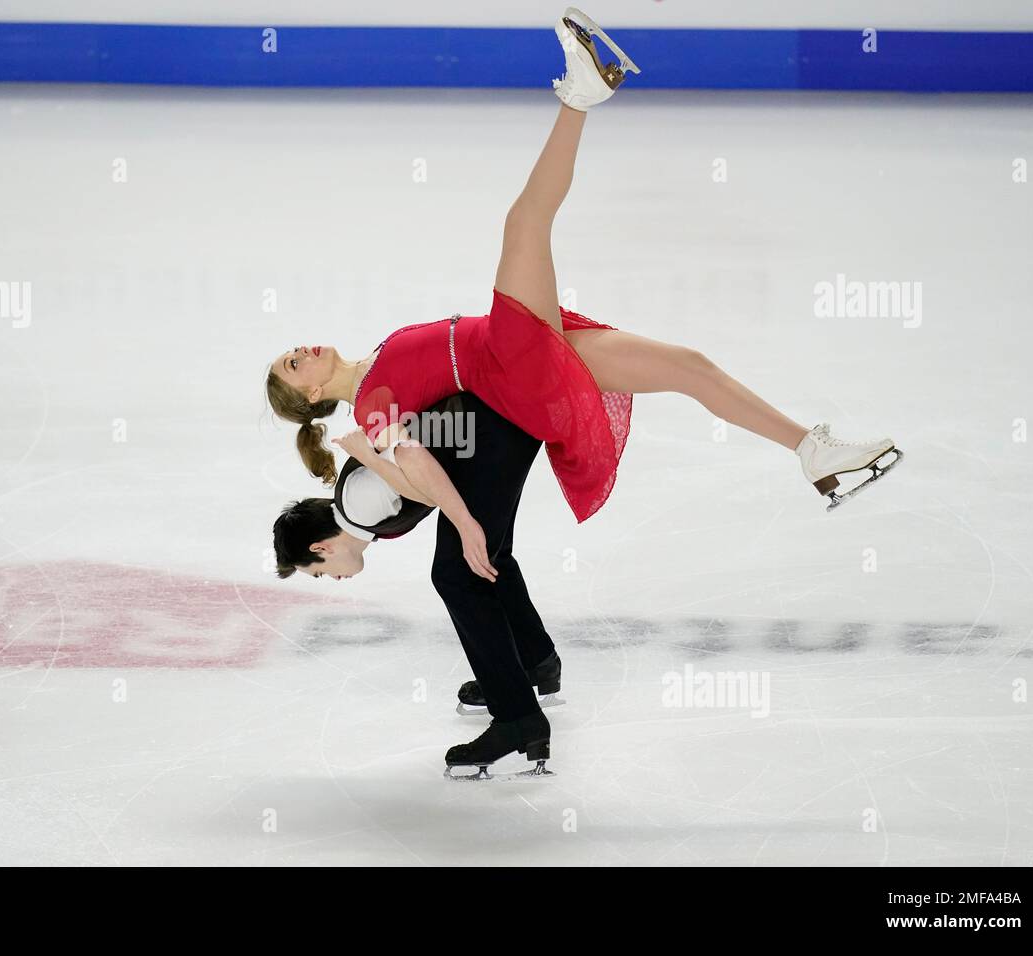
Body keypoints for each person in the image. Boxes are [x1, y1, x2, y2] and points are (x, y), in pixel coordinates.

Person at [265, 7, 902, 523]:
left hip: (528, 347)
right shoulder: (368, 408)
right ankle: (580, 94)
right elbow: (418, 481)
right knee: (524, 224)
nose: (301, 351)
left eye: (291, 352)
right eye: (295, 366)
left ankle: (811, 452)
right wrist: (374, 459)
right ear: (313, 396)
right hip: (510, 357)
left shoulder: (375, 361)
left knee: (689, 366)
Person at [272, 393, 561, 778]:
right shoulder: (358, 508)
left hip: (489, 435)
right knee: (485, 558)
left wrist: (463, 521)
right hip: (494, 428)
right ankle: (534, 663)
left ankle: (517, 717)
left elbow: (419, 469)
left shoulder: (359, 503)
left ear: (321, 547)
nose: (335, 579)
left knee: (455, 576)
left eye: (321, 572)